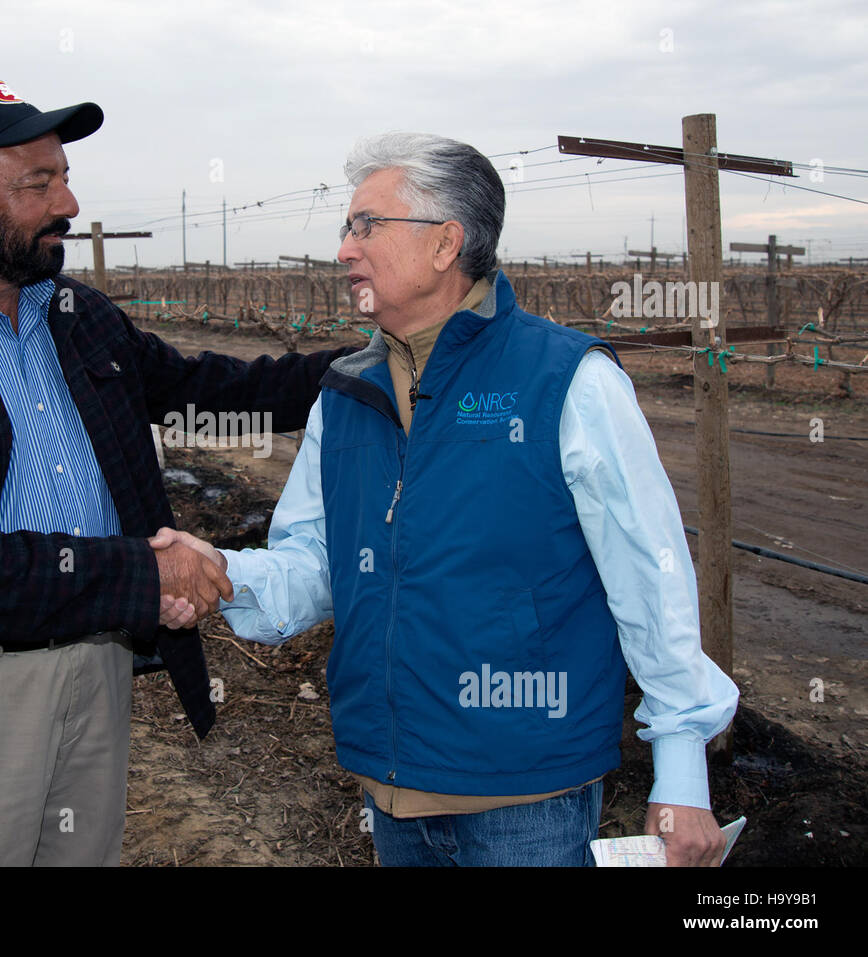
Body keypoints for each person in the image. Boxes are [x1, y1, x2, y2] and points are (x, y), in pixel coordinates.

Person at [0, 76, 355, 866]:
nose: (67, 201)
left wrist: (369, 365)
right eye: (39, 183)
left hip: (100, 666)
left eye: (64, 175)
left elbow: (209, 390)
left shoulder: (76, 315)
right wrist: (140, 570)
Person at [153, 132, 739, 867]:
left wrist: (682, 771)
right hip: (390, 786)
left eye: (367, 224)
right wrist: (221, 570)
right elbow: (316, 565)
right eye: (346, 226)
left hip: (527, 795)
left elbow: (650, 576)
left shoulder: (569, 381)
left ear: (445, 243)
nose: (343, 248)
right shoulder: (345, 394)